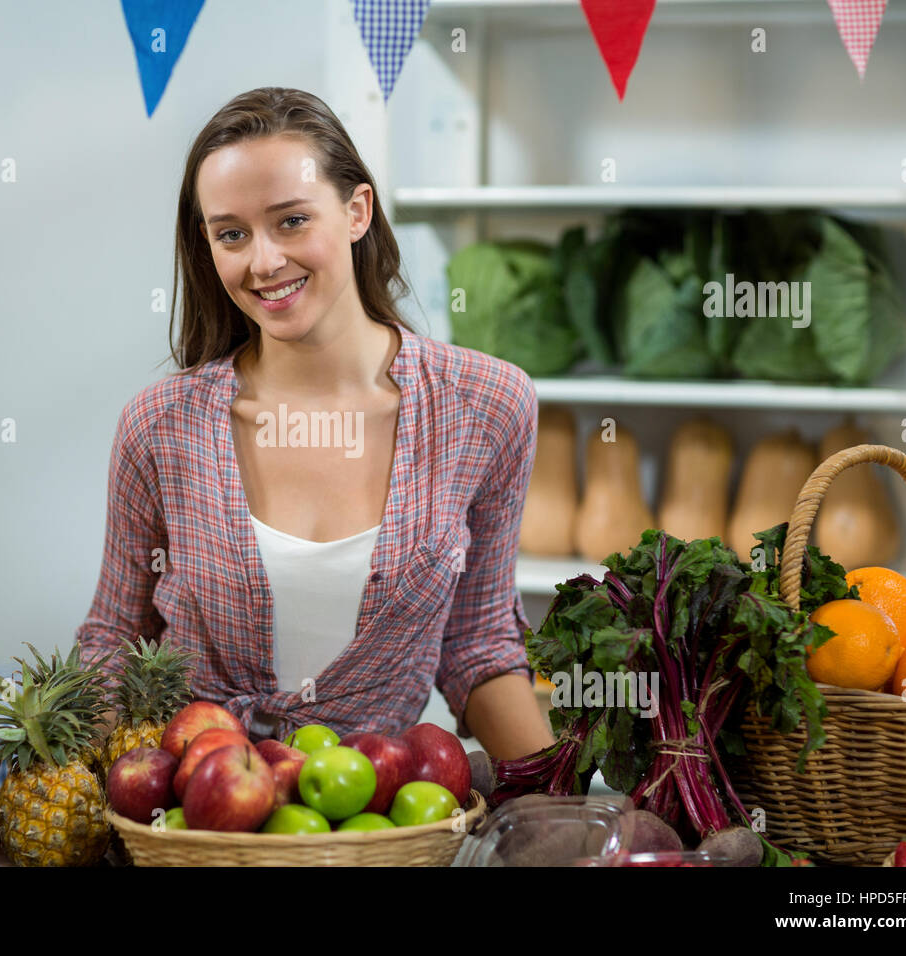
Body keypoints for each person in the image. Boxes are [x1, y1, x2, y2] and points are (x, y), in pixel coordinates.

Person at [77, 87, 554, 760]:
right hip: (196, 822)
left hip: (376, 822)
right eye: (231, 234)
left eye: (292, 221)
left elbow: (477, 644)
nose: (263, 262)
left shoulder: (486, 406)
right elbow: (112, 641)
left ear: (357, 210)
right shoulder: (160, 427)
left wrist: (558, 804)